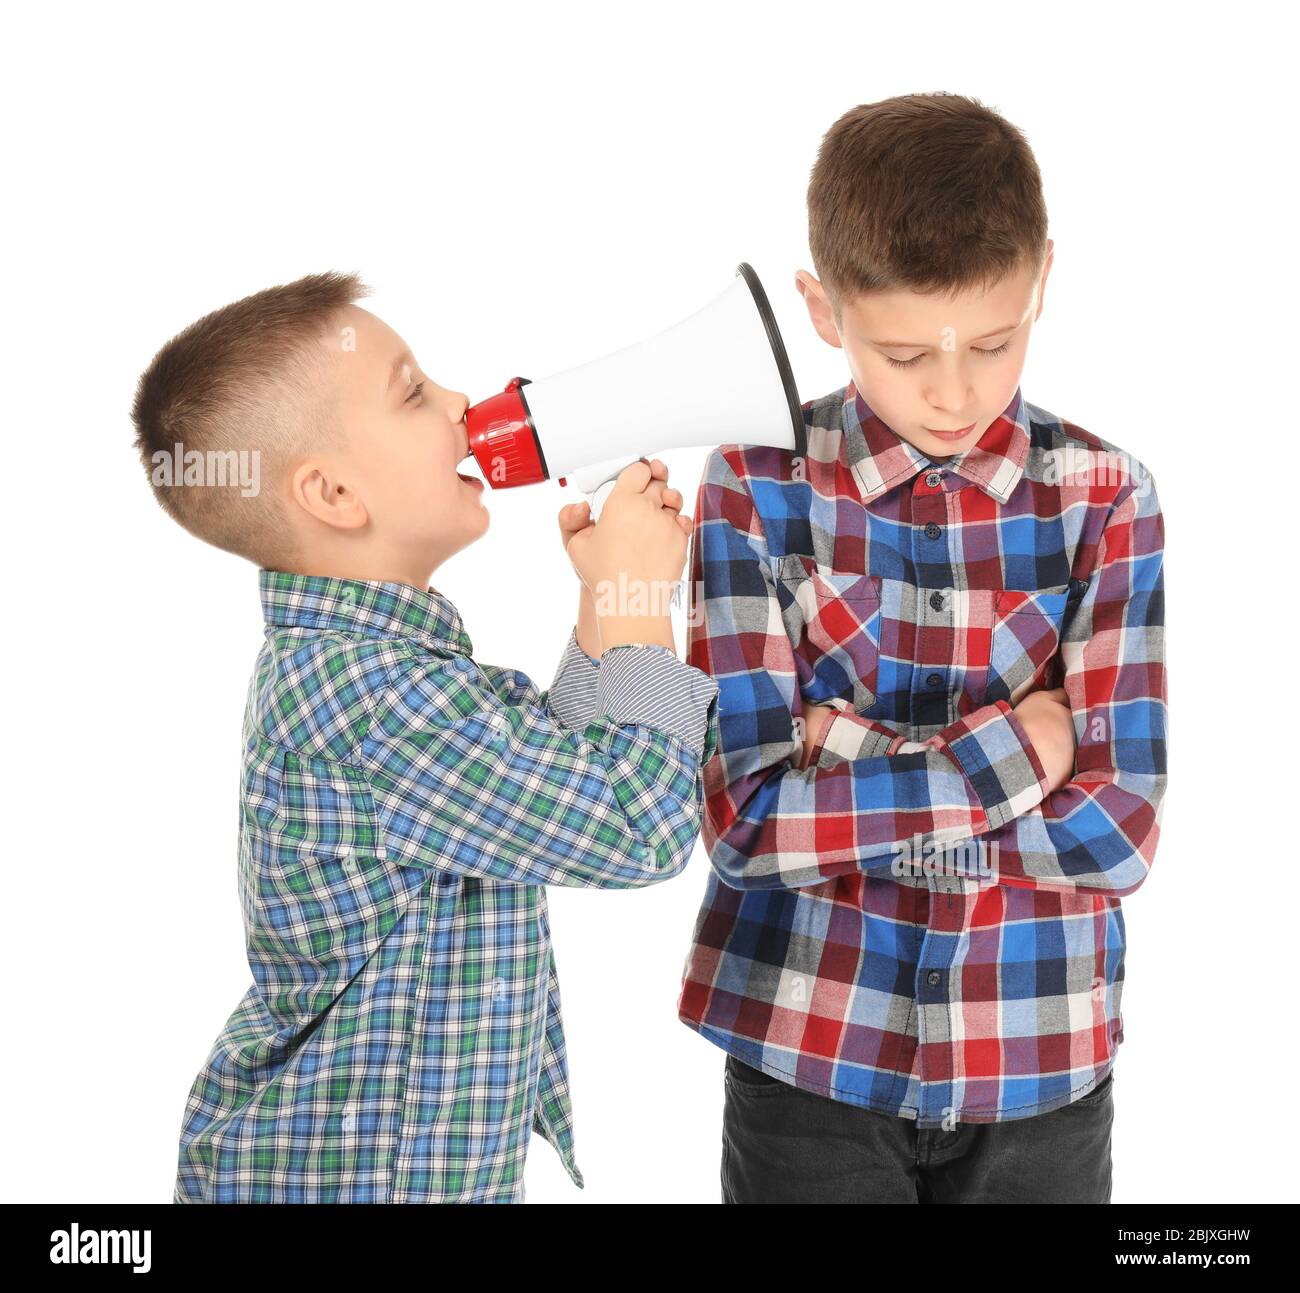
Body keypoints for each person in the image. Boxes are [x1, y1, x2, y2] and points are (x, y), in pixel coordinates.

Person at [132, 271, 718, 1202]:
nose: (459, 403)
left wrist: (607, 614)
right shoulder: (371, 698)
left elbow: (533, 783)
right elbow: (631, 827)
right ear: (330, 492)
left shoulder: (372, 668)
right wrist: (642, 602)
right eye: (414, 393)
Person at [677, 93, 1167, 1204]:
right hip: (806, 1054)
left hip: (1038, 1055)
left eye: (993, 344)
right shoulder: (753, 486)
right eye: (902, 354)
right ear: (821, 307)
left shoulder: (1104, 498)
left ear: (1042, 275)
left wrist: (839, 750)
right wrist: (1017, 754)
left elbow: (1117, 833)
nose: (954, 394)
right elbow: (747, 824)